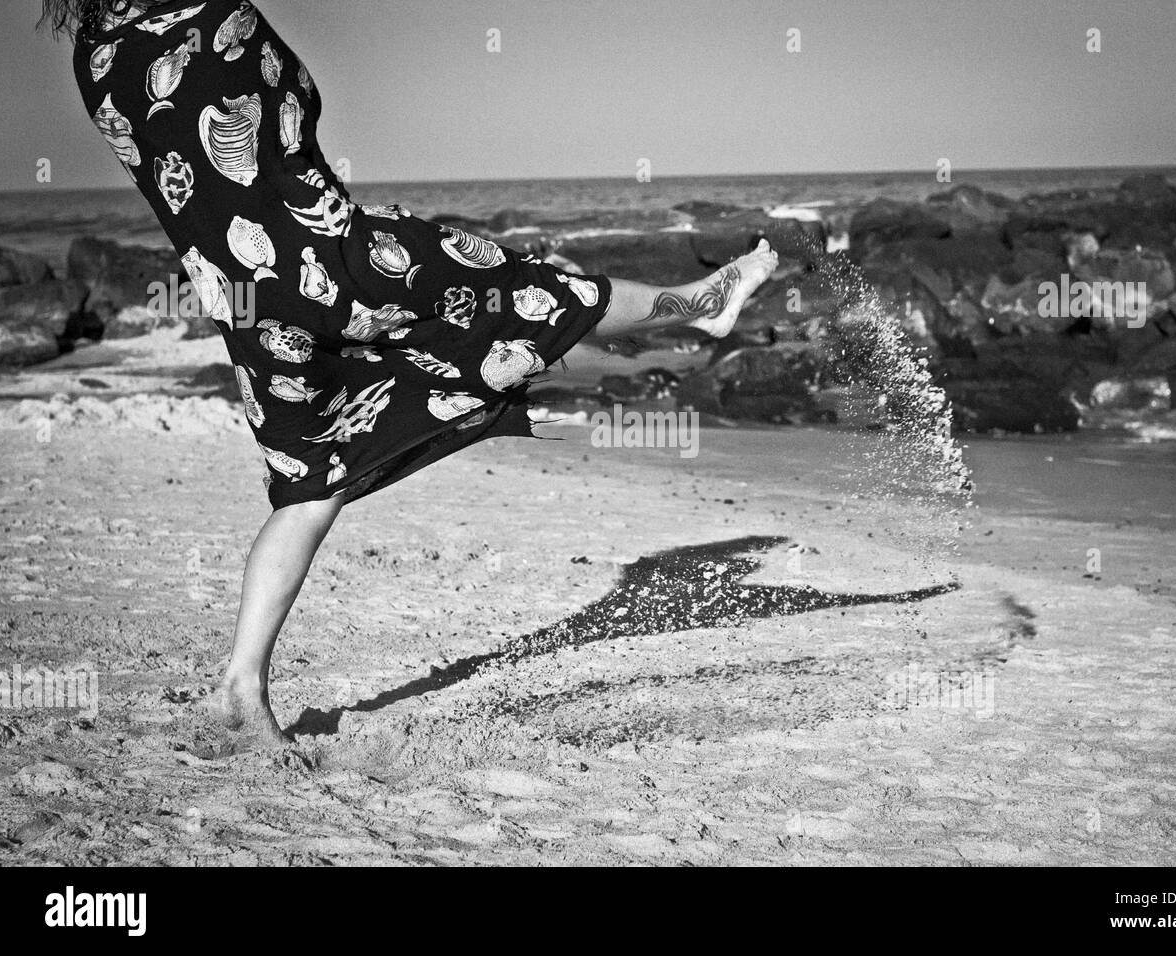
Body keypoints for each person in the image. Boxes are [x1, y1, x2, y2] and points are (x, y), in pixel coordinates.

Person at [45, 0, 778, 746]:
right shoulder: (211, 11)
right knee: (545, 295)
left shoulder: (96, 62)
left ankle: (241, 684)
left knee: (309, 485)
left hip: (247, 301)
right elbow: (286, 104)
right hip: (343, 258)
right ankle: (703, 303)